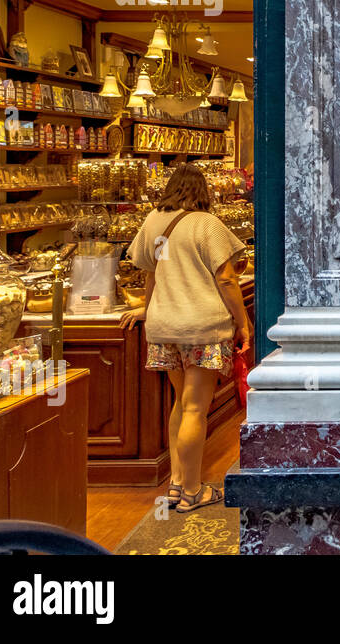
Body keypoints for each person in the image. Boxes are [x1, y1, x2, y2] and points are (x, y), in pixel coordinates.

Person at [120, 163, 252, 513]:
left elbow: (151, 273)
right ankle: (193, 491)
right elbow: (226, 279)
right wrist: (243, 323)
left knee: (181, 404)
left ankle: (177, 483)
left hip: (165, 328)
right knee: (196, 407)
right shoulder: (208, 224)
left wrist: (148, 310)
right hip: (202, 327)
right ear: (203, 191)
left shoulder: (154, 222)